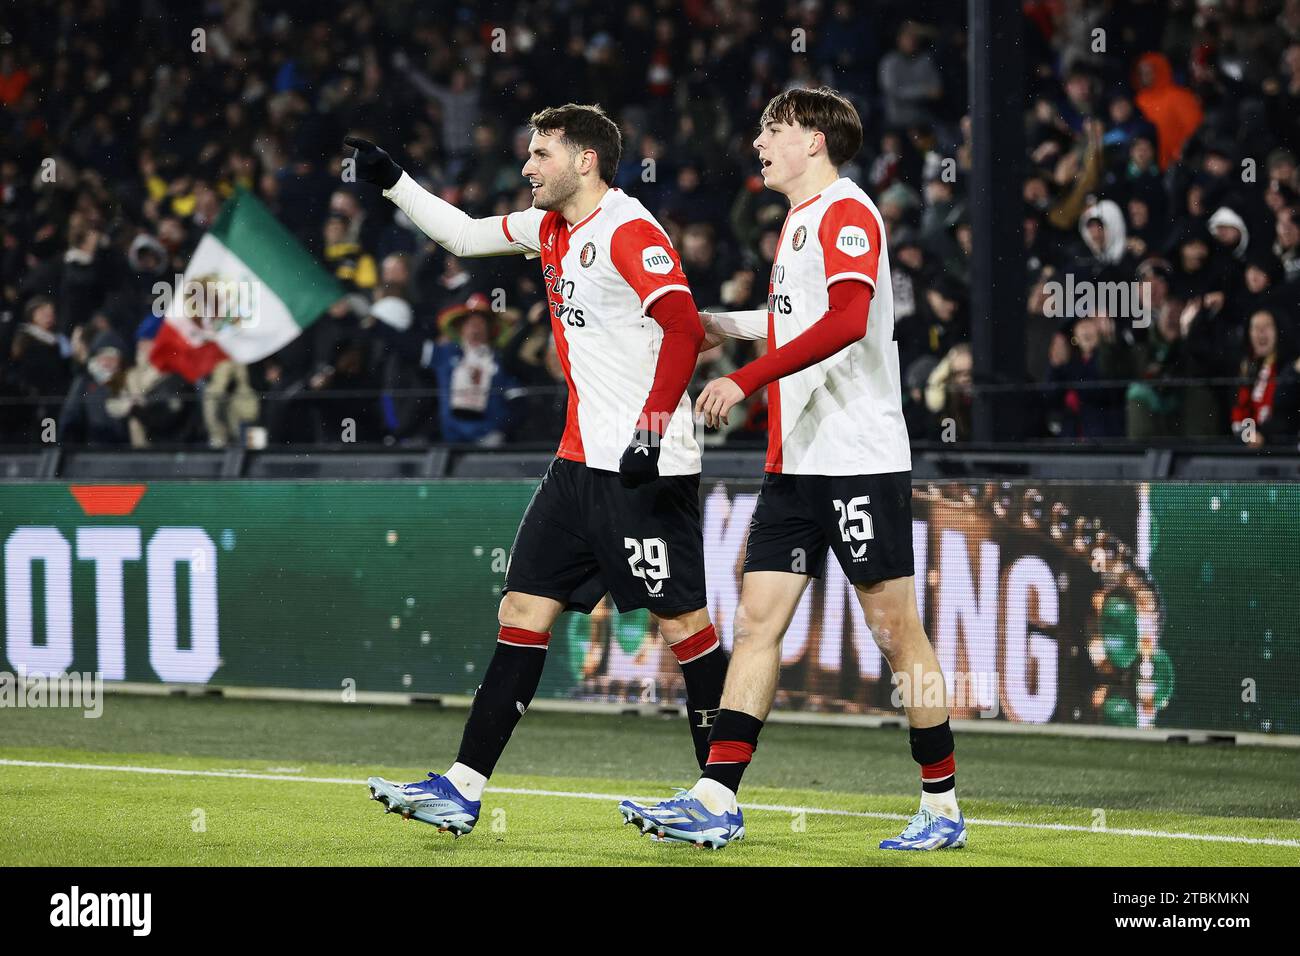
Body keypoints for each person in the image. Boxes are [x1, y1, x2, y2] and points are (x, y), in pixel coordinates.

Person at [345, 103, 728, 837]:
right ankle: (461, 787)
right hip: (577, 464)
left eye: (541, 153)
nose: (526, 167)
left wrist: (651, 425)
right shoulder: (547, 227)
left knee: (685, 626)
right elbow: (460, 235)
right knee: (522, 611)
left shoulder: (630, 229)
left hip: (649, 466)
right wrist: (394, 182)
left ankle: (717, 799)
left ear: (585, 160)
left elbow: (683, 325)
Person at [620, 88, 965, 851]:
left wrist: (744, 378)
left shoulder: (847, 211)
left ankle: (941, 805)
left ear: (814, 139)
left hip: (858, 460)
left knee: (895, 631)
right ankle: (718, 796)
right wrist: (727, 327)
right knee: (756, 623)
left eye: (771, 131)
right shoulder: (801, 223)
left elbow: (846, 321)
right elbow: (800, 320)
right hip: (797, 462)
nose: (758, 144)